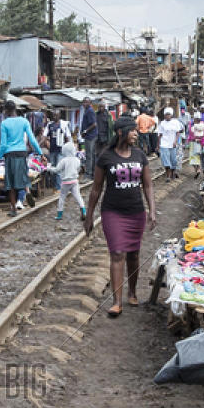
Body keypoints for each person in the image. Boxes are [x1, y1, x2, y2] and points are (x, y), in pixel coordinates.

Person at [84, 115, 156, 317]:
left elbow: (148, 185)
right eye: (132, 130)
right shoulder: (106, 157)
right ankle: (116, 301)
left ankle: (132, 292)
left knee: (133, 254)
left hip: (136, 212)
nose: (135, 133)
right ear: (120, 132)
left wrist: (152, 210)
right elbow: (96, 189)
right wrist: (89, 216)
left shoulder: (140, 155)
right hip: (112, 212)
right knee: (117, 253)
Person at [0, 102, 44, 215]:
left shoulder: (4, 124)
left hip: (9, 154)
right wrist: (41, 153)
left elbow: (3, 144)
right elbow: (32, 140)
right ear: (15, 109)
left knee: (11, 183)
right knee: (23, 175)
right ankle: (27, 191)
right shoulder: (24, 121)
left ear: (6, 111)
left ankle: (13, 209)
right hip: (21, 153)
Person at [54, 140, 84, 222]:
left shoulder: (63, 160)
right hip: (74, 181)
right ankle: (83, 210)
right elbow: (78, 169)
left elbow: (57, 170)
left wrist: (48, 168)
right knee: (78, 196)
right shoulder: (77, 160)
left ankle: (59, 215)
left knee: (62, 197)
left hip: (65, 182)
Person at [156, 107, 185, 180]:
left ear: (171, 115)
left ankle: (173, 172)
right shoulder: (162, 123)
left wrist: (175, 141)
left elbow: (178, 132)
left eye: (168, 114)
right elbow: (160, 135)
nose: (167, 116)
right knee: (165, 159)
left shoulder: (175, 122)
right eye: (166, 114)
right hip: (164, 144)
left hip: (172, 144)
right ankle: (168, 175)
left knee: (173, 160)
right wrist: (158, 145)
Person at [79, 97, 99, 178]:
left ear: (90, 103)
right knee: (92, 155)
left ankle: (88, 174)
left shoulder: (90, 111)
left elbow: (94, 124)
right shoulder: (87, 110)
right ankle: (93, 173)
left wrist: (85, 131)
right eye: (83, 102)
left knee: (89, 156)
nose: (84, 104)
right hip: (91, 136)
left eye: (86, 102)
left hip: (90, 136)